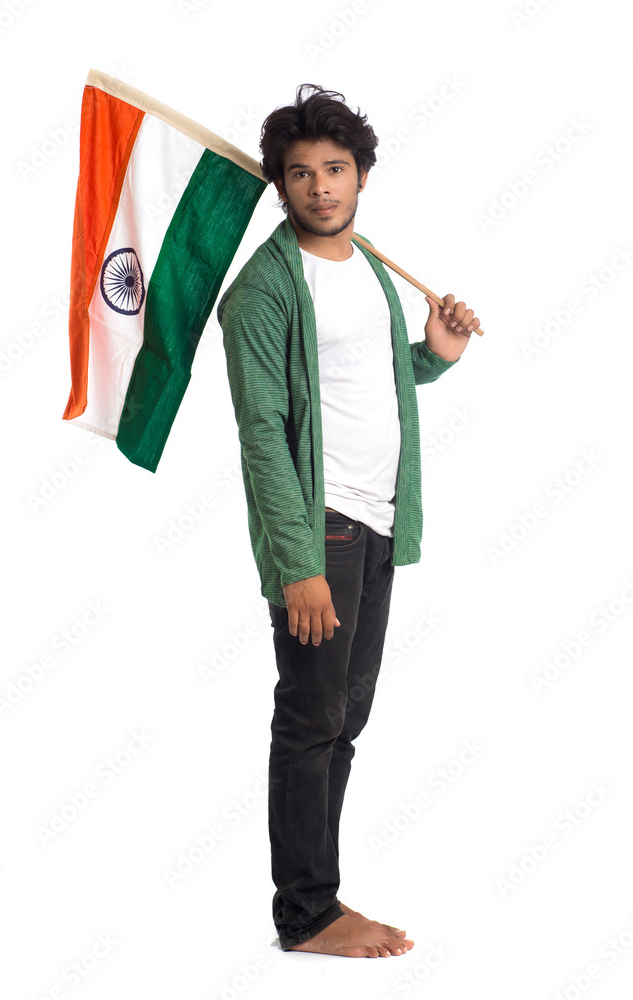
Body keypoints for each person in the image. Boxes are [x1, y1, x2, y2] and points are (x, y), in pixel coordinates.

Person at [217, 84, 480, 959]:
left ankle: (319, 899)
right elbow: (264, 436)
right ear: (280, 185)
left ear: (362, 174)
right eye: (301, 174)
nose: (321, 188)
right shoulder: (261, 293)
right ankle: (307, 915)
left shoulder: (365, 260)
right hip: (319, 527)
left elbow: (369, 380)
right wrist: (297, 566)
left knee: (346, 714)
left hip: (378, 519)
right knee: (310, 712)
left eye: (335, 169)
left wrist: (432, 358)